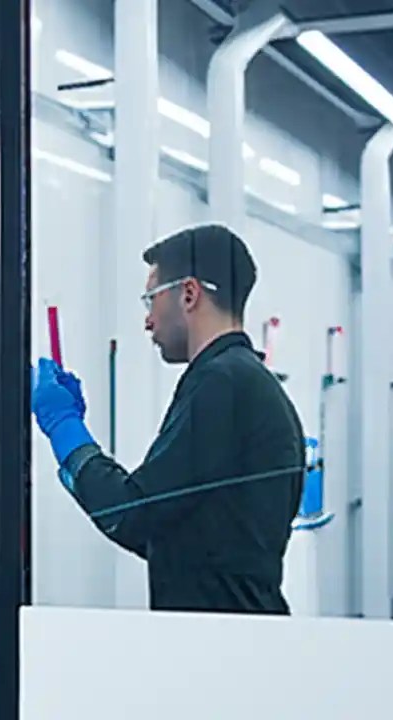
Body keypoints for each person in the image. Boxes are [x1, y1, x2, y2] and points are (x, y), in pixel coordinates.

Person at [31, 223, 306, 614]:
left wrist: (65, 428)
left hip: (221, 636)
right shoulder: (248, 381)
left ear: (189, 294)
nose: (148, 321)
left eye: (151, 300)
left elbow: (131, 514)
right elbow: (170, 536)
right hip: (239, 629)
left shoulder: (222, 383)